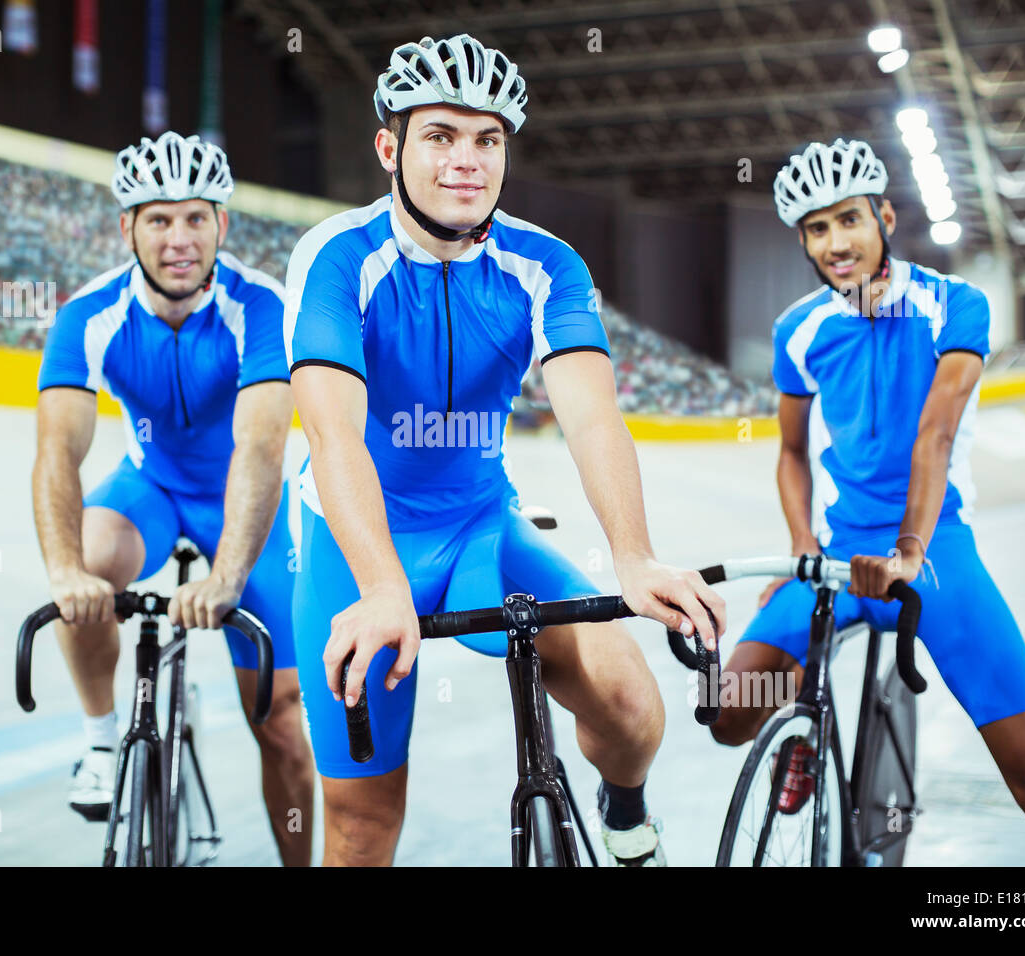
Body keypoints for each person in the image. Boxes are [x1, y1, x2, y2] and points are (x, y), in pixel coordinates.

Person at [286, 34, 726, 866]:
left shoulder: (546, 264)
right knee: (361, 821)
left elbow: (593, 418)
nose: (467, 161)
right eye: (441, 136)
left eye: (487, 139)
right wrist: (381, 586)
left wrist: (634, 559)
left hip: (481, 527)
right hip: (360, 546)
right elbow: (331, 429)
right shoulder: (338, 257)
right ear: (390, 147)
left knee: (632, 705)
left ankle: (625, 816)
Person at [709, 138, 1025, 865]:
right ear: (803, 241)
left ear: (884, 216)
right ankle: (803, 723)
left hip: (934, 552)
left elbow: (935, 437)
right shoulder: (800, 329)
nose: (836, 242)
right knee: (730, 715)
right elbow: (790, 452)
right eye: (817, 229)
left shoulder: (955, 305)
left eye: (849, 220)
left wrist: (910, 551)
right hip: (837, 557)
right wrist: (801, 549)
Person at [32, 131, 314, 865]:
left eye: (196, 218)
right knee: (88, 564)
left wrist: (226, 579)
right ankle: (99, 741)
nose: (180, 238)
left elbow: (259, 448)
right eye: (159, 219)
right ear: (128, 228)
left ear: (223, 224)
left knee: (281, 725)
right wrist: (65, 571)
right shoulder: (88, 314)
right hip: (151, 486)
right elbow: (58, 451)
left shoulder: (262, 306)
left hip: (247, 504)